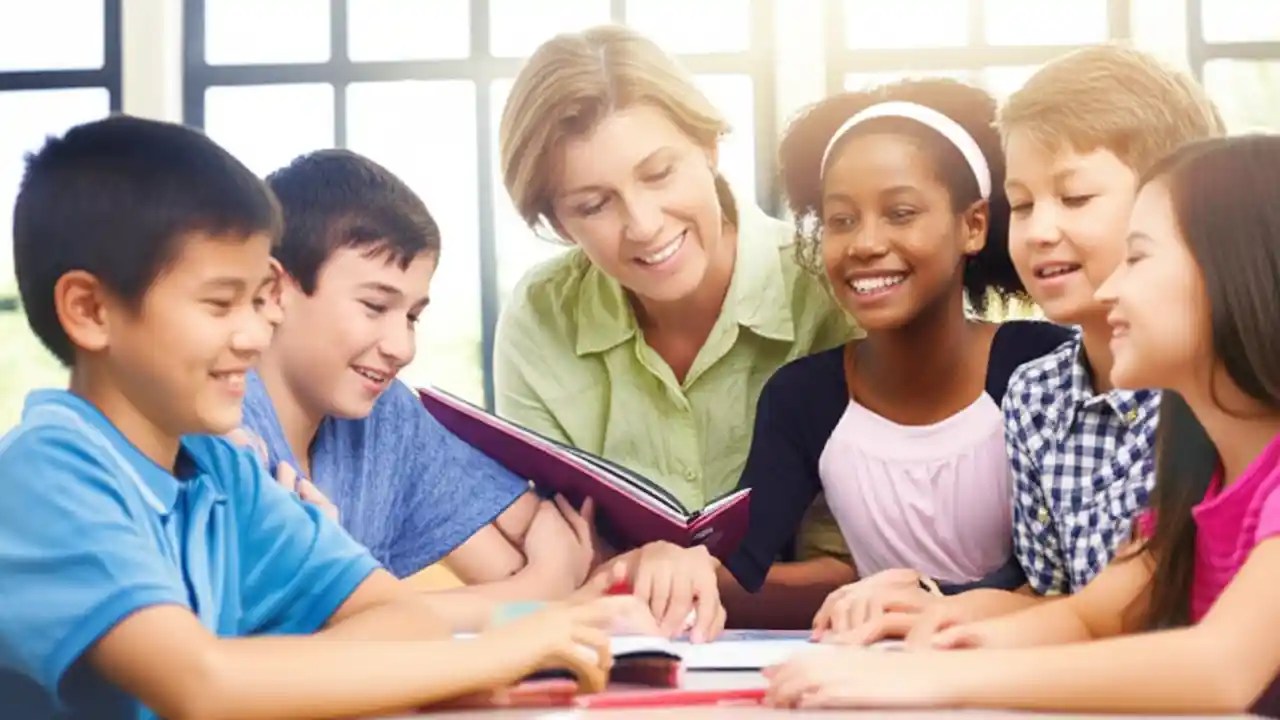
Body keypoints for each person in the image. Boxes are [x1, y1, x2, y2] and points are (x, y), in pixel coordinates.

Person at [0, 116, 654, 720]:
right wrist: (504, 646)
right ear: (90, 311)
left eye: (260, 301)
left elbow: (406, 624)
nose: (257, 333)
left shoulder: (225, 472)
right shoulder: (49, 470)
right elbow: (199, 684)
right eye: (221, 303)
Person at [765, 133, 1280, 717]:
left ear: (1235, 276)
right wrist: (932, 652)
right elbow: (1086, 617)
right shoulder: (1197, 482)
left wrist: (938, 683)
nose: (1110, 288)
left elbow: (1219, 671)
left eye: (1137, 257)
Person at [824, 46, 1225, 640]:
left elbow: (1145, 625)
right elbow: (1055, 600)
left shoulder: (1219, 391)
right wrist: (929, 609)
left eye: (1076, 198)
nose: (1038, 231)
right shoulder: (1036, 394)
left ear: (1174, 204)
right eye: (1025, 203)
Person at [246, 148, 726, 639]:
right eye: (374, 306)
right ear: (273, 290)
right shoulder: (220, 428)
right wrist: (544, 586)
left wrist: (563, 589)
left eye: (412, 316)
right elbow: (336, 628)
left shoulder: (384, 418)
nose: (402, 347)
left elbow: (532, 545)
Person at [494, 23, 857, 627]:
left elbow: (860, 566)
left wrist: (691, 575)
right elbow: (550, 554)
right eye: (593, 205)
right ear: (559, 223)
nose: (643, 224)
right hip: (616, 657)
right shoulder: (540, 318)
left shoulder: (828, 292)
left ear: (710, 147)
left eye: (659, 173)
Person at [723, 78, 1069, 623]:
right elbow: (740, 566)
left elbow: (1070, 575)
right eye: (841, 220)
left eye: (900, 213)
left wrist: (930, 602)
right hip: (879, 678)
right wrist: (663, 566)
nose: (864, 243)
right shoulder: (804, 398)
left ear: (972, 225)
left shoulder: (1043, 367)